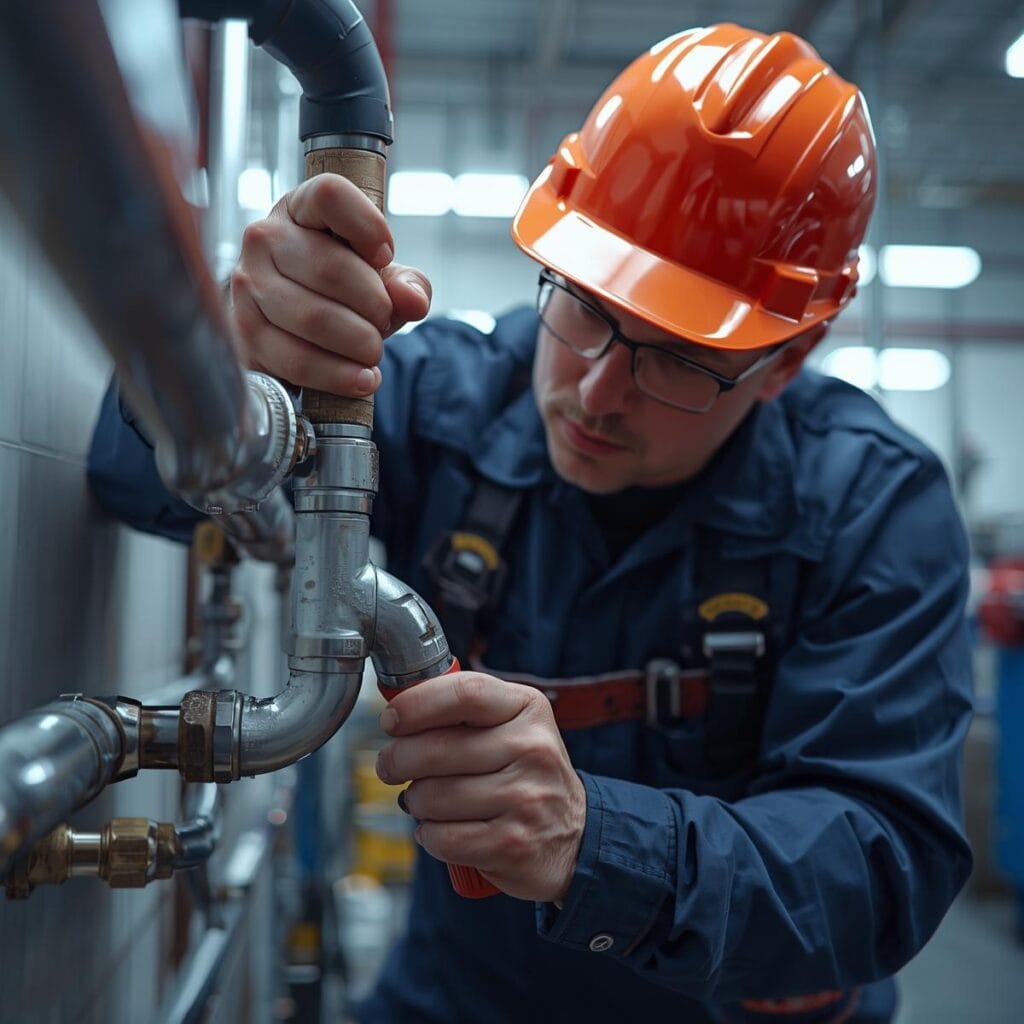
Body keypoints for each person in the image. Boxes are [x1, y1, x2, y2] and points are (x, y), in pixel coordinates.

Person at [88, 23, 973, 1024]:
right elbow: (129, 476)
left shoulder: (871, 505)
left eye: (678, 356)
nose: (596, 391)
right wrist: (233, 370)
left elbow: (881, 862)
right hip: (458, 999)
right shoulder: (458, 399)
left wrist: (594, 843)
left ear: (788, 360)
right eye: (585, 305)